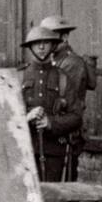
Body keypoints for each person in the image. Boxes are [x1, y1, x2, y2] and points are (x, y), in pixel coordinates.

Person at [21, 25, 85, 188]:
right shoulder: (19, 76)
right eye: (37, 43)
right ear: (30, 47)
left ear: (53, 46)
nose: (41, 47)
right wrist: (26, 118)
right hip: (24, 150)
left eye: (46, 43)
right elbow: (5, 115)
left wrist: (51, 123)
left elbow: (76, 116)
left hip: (53, 151)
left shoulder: (63, 78)